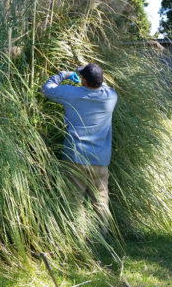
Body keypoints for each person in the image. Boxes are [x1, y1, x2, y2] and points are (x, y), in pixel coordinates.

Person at [41, 63, 117, 226]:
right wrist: (95, 81)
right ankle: (102, 235)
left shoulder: (72, 93)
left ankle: (78, 237)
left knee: (74, 203)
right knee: (101, 202)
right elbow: (103, 86)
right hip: (100, 160)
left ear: (84, 81)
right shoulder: (111, 97)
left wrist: (63, 74)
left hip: (75, 157)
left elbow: (47, 89)